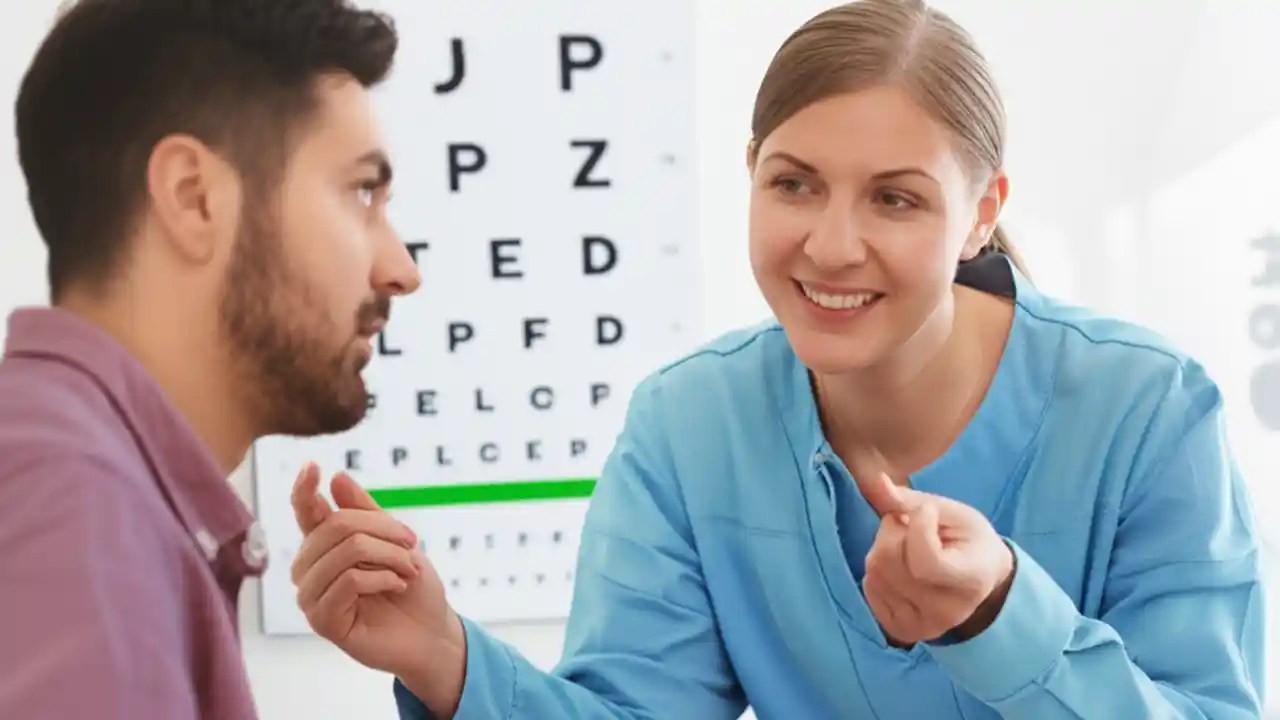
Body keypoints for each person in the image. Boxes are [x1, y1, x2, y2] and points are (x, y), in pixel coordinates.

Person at [289, 0, 1265, 717]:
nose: (831, 246)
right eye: (793, 184)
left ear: (981, 212)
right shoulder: (688, 424)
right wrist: (444, 657)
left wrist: (999, 616)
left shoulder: (1145, 408)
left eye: (894, 198)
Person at [0, 1, 420, 717]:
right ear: (195, 199)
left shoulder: (83, 484)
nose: (400, 268)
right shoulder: (77, 505)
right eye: (359, 192)